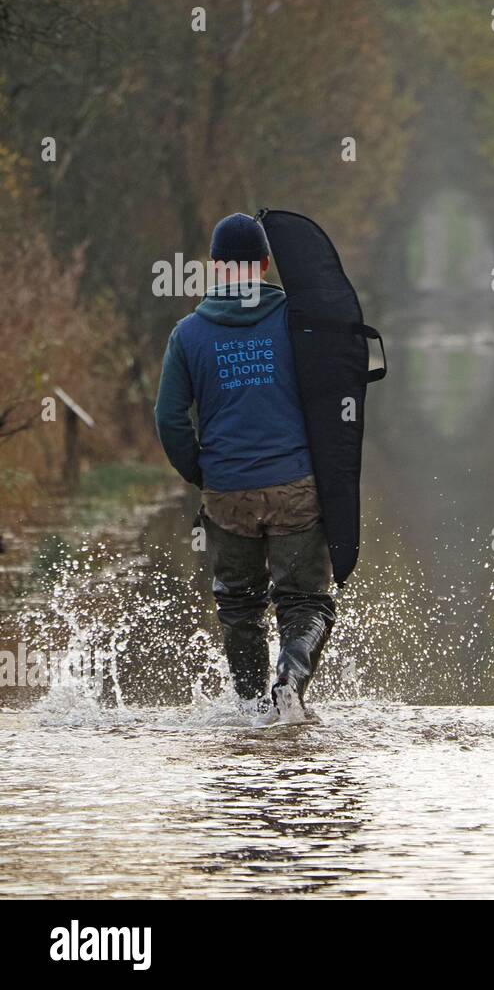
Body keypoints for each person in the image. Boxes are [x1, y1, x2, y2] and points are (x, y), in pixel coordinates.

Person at [154, 213, 334, 719]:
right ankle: (290, 683)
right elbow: (334, 396)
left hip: (226, 492)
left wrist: (207, 475)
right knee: (306, 602)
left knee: (239, 606)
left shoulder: (187, 334)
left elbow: (168, 419)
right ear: (265, 264)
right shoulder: (298, 321)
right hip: (297, 486)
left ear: (214, 267)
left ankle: (254, 713)